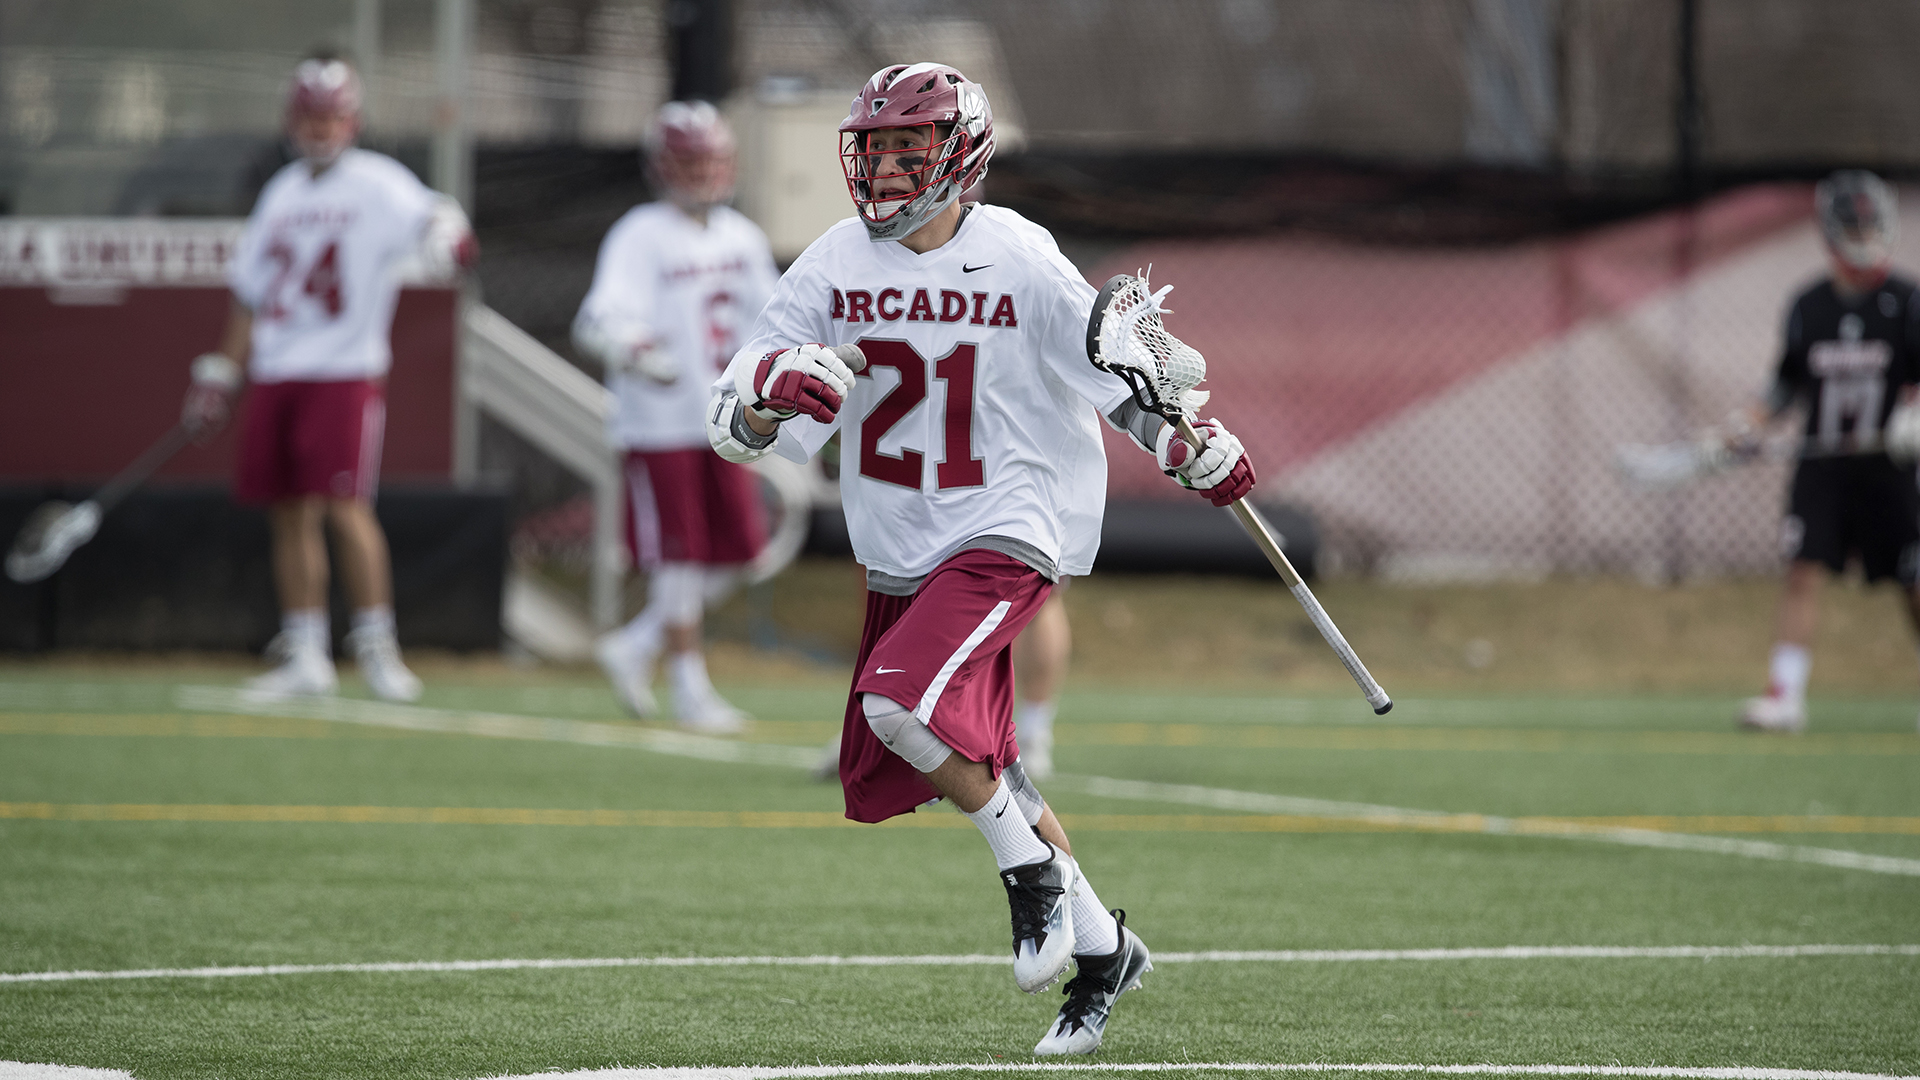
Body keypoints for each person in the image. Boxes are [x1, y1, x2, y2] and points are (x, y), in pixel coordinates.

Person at [705, 63, 1255, 1055]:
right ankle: (1103, 952)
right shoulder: (832, 264)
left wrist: (1184, 442)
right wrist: (771, 395)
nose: (882, 172)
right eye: (873, 152)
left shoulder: (1021, 257)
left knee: (893, 702)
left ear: (958, 157)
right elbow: (734, 423)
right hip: (901, 541)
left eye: (905, 151)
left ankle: (1030, 879)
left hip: (1012, 521)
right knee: (973, 761)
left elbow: (1118, 377)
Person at [182, 52, 475, 702]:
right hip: (279, 369)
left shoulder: (376, 182)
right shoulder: (281, 193)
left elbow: (437, 220)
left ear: (353, 121)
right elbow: (251, 295)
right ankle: (305, 650)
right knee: (288, 513)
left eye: (331, 117)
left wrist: (447, 239)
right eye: (310, 118)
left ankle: (376, 647)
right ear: (293, 121)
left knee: (346, 507)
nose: (319, 130)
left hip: (343, 370)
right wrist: (221, 375)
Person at [573, 102, 780, 733]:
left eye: (712, 160)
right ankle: (689, 687)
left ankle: (636, 644)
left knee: (739, 552)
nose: (703, 174)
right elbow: (599, 319)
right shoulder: (640, 233)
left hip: (723, 420)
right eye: (690, 162)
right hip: (660, 421)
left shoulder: (740, 238)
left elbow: (777, 317)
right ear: (663, 166)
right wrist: (635, 349)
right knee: (680, 556)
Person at [1707, 171, 1920, 732]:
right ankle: (1785, 695)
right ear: (1831, 233)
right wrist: (1744, 426)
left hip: (1893, 470)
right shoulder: (1809, 306)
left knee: (1914, 582)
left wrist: (1914, 417)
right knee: (1803, 570)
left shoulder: (1908, 303)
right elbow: (1782, 385)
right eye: (1854, 225)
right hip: (1823, 467)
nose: (1864, 234)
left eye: (1871, 223)